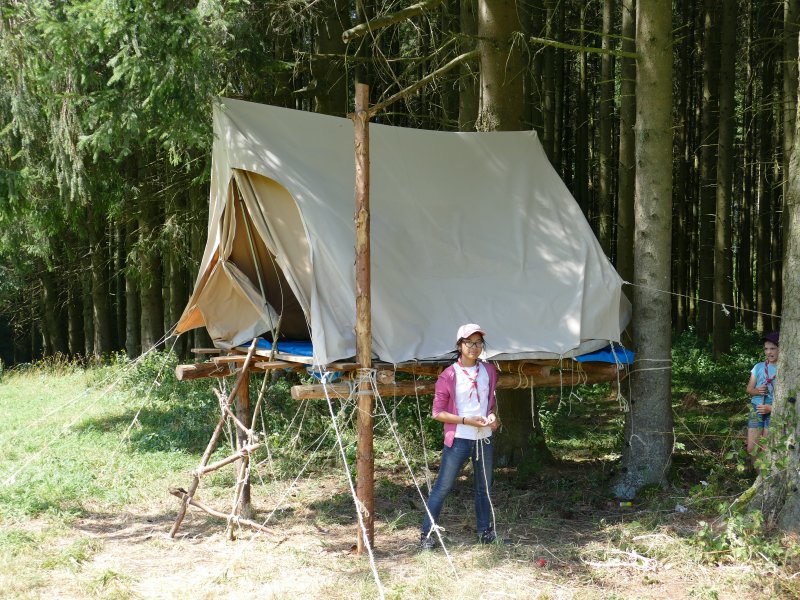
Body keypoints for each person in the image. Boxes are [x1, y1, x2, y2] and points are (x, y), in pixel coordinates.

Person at [420, 323, 500, 550]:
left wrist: (493, 417)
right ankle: (427, 535)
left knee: (484, 488)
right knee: (443, 487)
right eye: (469, 343)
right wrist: (466, 420)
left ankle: (485, 533)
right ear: (459, 345)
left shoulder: (489, 371)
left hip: (484, 437)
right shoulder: (449, 375)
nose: (474, 347)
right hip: (459, 439)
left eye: (478, 343)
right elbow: (437, 413)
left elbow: (491, 402)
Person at [745, 330, 779, 457]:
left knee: (766, 449)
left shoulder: (785, 369)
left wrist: (771, 408)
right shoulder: (758, 367)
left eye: (773, 348)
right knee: (752, 449)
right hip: (756, 408)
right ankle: (756, 471)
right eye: (766, 349)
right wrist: (758, 390)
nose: (769, 352)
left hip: (774, 410)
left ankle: (765, 471)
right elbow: (749, 389)